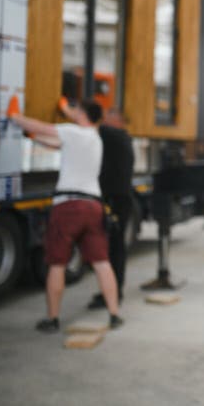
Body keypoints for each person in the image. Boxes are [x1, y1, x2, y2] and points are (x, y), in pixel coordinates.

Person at [10, 99, 124, 332]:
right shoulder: (94, 139)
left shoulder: (73, 132)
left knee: (58, 263)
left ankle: (52, 319)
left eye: (75, 109)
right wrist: (31, 136)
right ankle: (114, 315)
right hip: (93, 206)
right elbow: (53, 143)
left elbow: (43, 128)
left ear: (82, 113)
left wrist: (15, 117)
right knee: (101, 262)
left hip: (69, 206)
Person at [78, 108, 135, 310]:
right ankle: (112, 291)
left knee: (113, 250)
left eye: (108, 118)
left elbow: (92, 125)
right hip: (117, 200)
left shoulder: (117, 136)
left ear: (119, 121)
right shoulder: (120, 139)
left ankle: (112, 293)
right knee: (113, 249)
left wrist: (71, 111)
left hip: (117, 202)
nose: (104, 121)